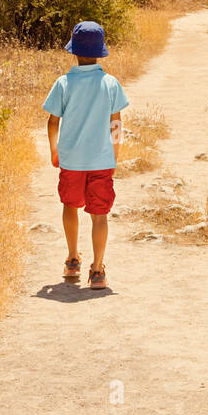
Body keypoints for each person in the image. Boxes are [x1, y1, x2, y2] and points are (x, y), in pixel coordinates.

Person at [42, 21, 129, 289]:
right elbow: (116, 124)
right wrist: (115, 154)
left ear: (74, 51)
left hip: (71, 159)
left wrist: (55, 151)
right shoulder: (110, 83)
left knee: (70, 206)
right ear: (100, 51)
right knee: (99, 214)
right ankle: (98, 270)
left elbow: (52, 122)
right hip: (102, 159)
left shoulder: (64, 83)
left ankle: (71, 259)